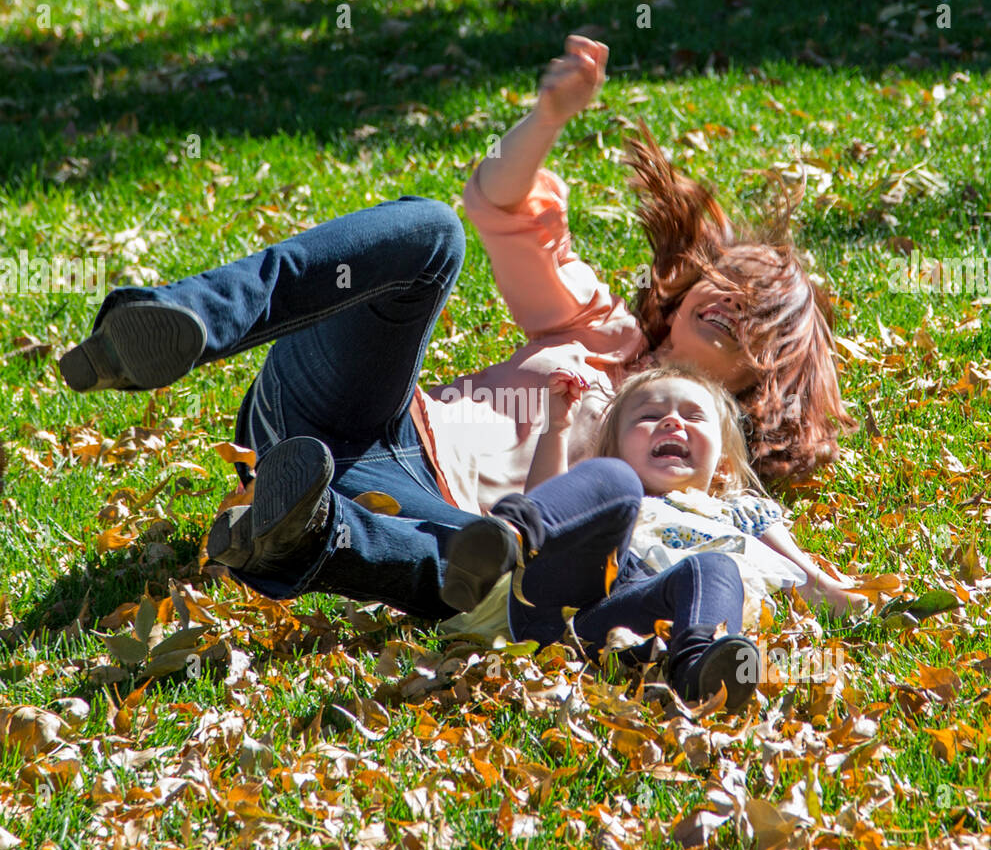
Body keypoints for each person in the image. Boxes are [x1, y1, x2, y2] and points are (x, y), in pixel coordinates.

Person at [57, 34, 858, 632]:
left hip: (426, 506)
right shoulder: (598, 327)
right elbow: (500, 210)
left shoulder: (697, 469)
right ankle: (187, 321)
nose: (725, 303)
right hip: (374, 410)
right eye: (725, 284)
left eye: (755, 314)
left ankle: (294, 533)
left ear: (768, 371)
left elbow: (742, 556)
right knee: (429, 231)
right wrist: (549, 114)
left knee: (492, 560)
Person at [438, 361, 865, 710]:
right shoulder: (615, 491)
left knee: (715, 569)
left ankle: (698, 668)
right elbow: (558, 511)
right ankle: (508, 538)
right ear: (615, 447)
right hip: (553, 596)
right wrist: (557, 429)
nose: (672, 423)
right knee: (613, 484)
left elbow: (798, 571)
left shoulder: (735, 512)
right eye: (649, 416)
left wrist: (830, 589)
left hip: (618, 624)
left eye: (693, 416)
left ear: (722, 467)